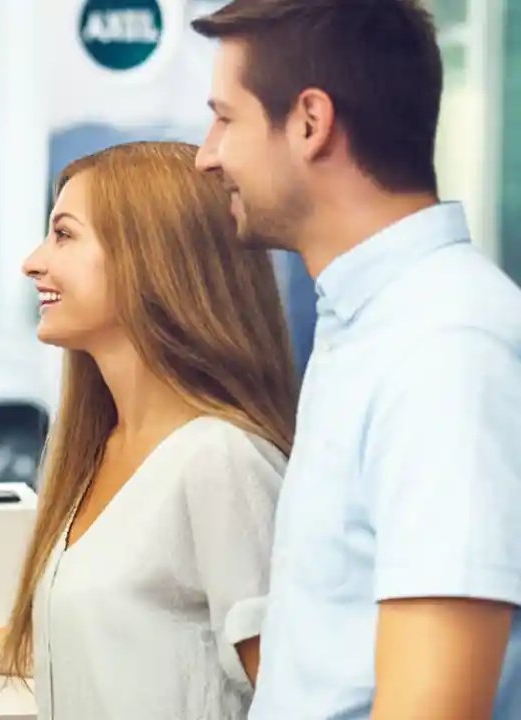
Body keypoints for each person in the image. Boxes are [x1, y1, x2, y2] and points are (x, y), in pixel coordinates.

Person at [193, 1, 521, 718]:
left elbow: (433, 708)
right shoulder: (370, 325)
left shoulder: (445, 345)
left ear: (310, 123)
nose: (206, 154)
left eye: (225, 117)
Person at [0, 141, 298, 719]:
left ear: (151, 257)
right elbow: (67, 650)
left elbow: (293, 695)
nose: (33, 262)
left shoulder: (222, 459)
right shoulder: (92, 452)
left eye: (64, 234)